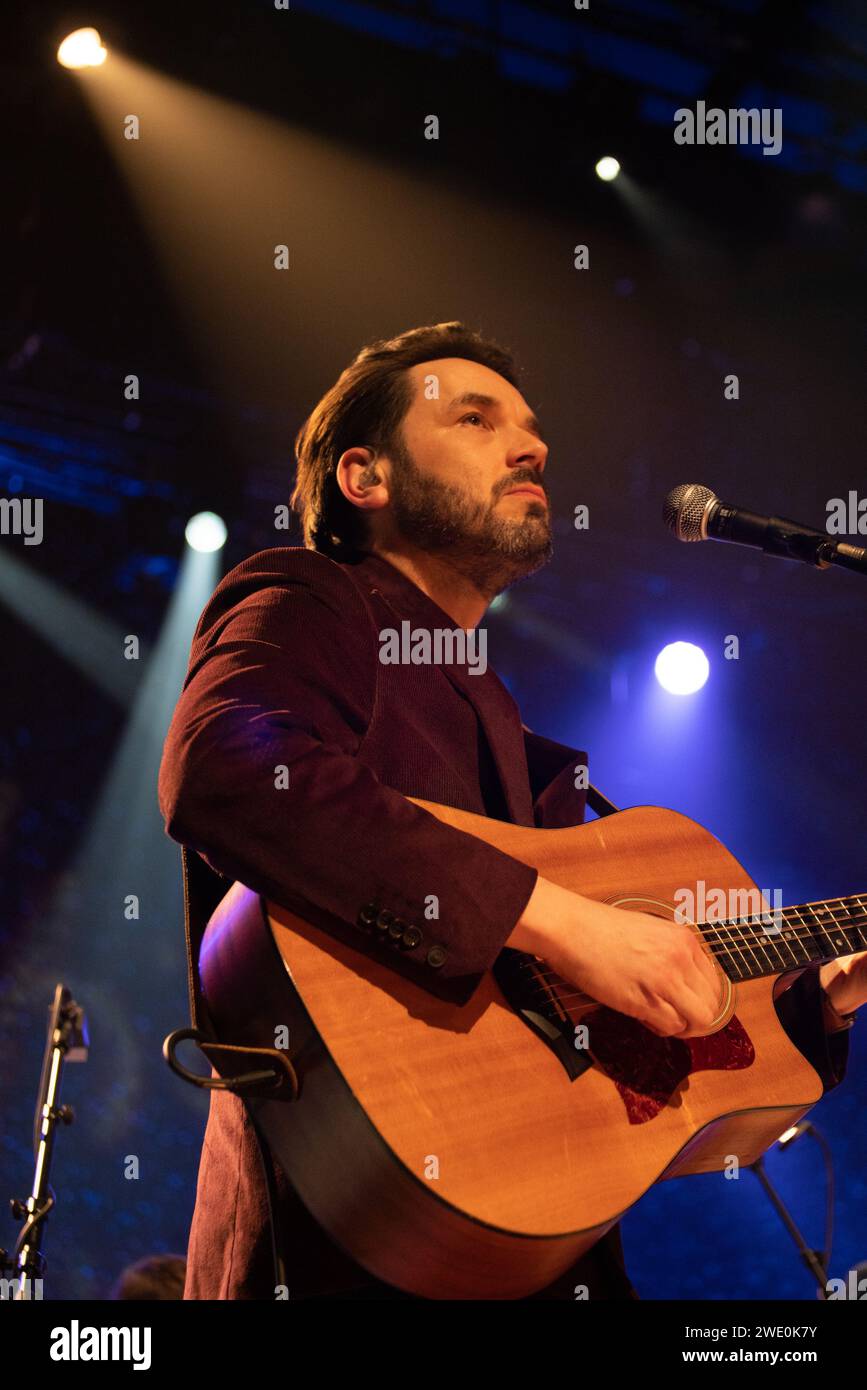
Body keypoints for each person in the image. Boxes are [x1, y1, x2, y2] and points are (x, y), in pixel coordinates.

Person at [158, 321, 864, 1301]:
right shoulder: (312, 598)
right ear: (366, 477)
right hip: (336, 1239)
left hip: (533, 1246)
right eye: (477, 419)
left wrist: (813, 999)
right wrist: (562, 918)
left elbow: (558, 1003)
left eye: (531, 427)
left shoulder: (494, 713)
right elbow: (226, 770)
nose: (533, 447)